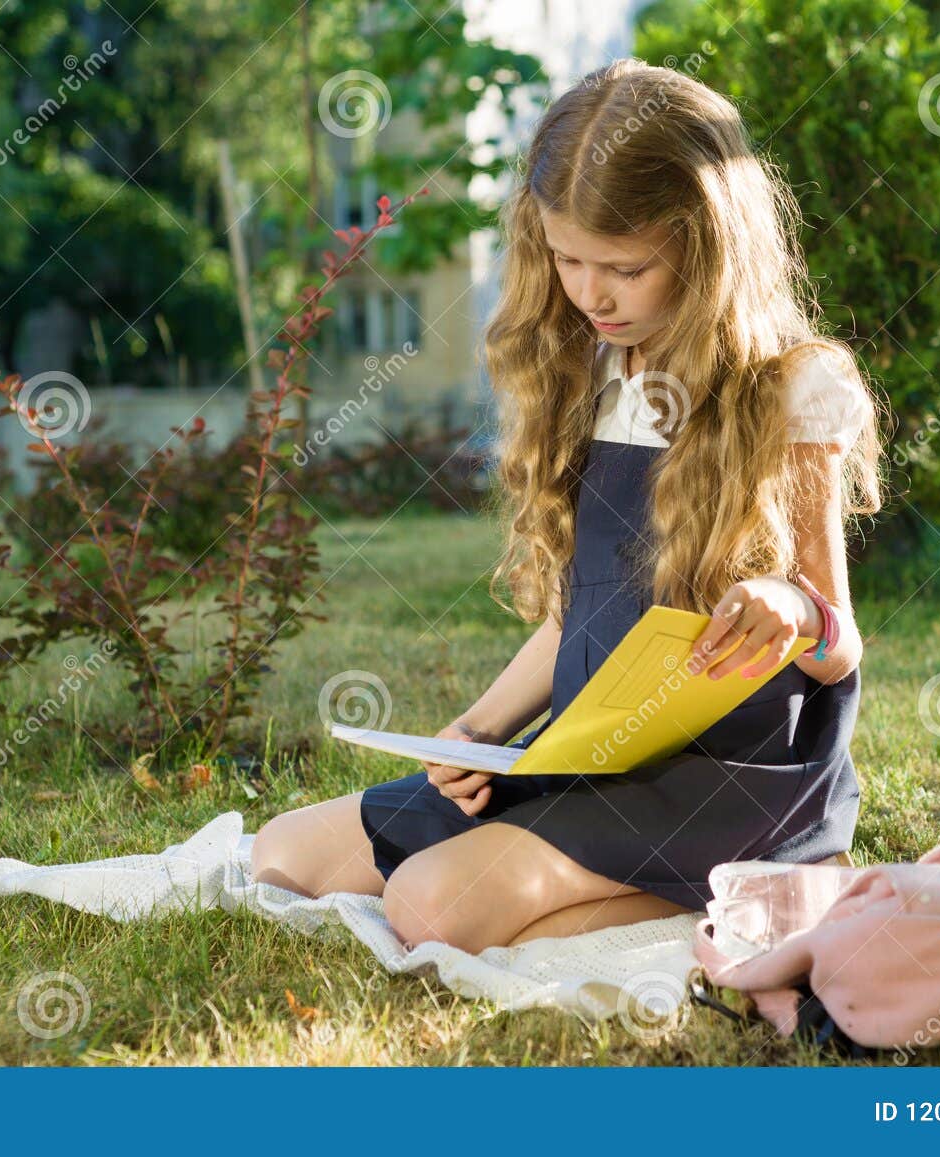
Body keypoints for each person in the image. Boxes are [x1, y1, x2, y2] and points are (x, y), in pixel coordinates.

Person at [250, 57, 886, 954]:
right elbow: (579, 614)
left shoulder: (792, 387)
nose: (590, 293)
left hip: (730, 773)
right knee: (283, 852)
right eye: (567, 257)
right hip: (593, 748)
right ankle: (583, 869)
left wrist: (788, 609)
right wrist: (477, 734)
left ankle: (775, 881)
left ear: (707, 247)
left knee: (431, 908)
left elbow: (838, 645)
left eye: (625, 267)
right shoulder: (591, 367)